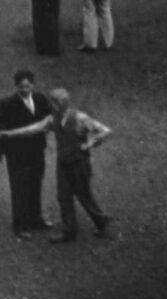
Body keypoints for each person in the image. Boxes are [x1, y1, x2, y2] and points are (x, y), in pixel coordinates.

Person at [0, 87, 111, 243]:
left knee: (84, 195)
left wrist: (89, 144)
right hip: (63, 163)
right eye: (53, 103)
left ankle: (101, 221)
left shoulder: (79, 117)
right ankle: (69, 232)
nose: (52, 106)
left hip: (79, 164)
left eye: (55, 103)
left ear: (63, 103)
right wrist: (8, 134)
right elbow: (34, 128)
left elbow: (105, 131)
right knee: (63, 197)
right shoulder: (53, 119)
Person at [0, 70, 54, 240]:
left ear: (33, 84)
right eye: (21, 86)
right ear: (15, 86)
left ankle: (35, 219)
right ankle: (20, 225)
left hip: (37, 151)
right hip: (17, 154)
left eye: (27, 85)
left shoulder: (39, 98)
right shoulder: (6, 104)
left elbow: (49, 117)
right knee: (19, 189)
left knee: (35, 184)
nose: (24, 89)